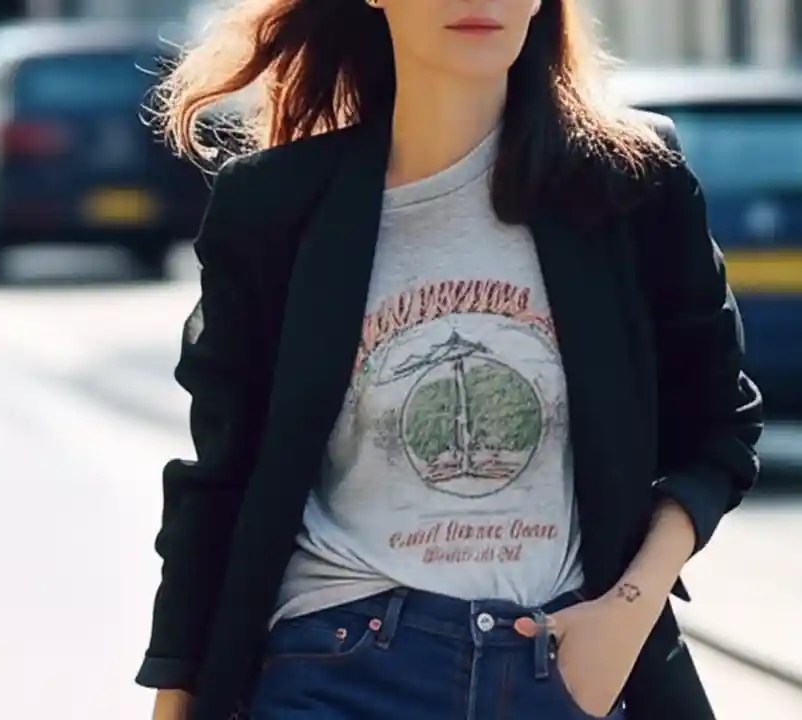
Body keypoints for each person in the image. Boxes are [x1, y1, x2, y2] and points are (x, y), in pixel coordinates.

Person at [138, 1, 763, 718]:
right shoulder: (275, 208)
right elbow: (217, 484)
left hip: (561, 672)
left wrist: (627, 609)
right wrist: (175, 700)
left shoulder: (630, 184)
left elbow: (720, 427)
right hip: (337, 670)